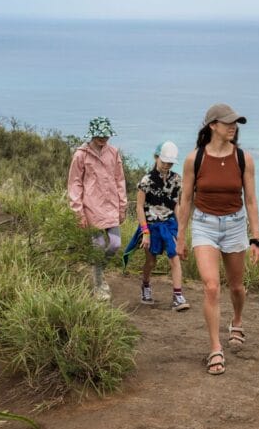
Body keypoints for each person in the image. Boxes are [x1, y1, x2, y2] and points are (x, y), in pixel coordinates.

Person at [177, 104, 259, 375]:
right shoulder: (195, 159)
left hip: (235, 225)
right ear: (212, 125)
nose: (233, 127)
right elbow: (186, 199)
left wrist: (256, 238)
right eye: (228, 122)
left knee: (237, 287)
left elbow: (250, 199)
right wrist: (180, 236)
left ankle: (236, 321)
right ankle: (215, 348)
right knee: (211, 286)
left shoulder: (243, 159)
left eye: (235, 123)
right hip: (204, 225)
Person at [122, 141, 190, 311]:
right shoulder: (146, 180)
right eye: (164, 161)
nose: (167, 165)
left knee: (174, 257)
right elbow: (139, 206)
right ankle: (145, 285)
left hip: (169, 223)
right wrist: (145, 231)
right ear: (156, 157)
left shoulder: (176, 180)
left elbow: (176, 204)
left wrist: (181, 228)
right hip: (151, 225)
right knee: (151, 261)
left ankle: (177, 295)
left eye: (170, 162)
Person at [67, 116, 128, 301]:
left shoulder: (114, 152)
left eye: (106, 134)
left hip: (111, 206)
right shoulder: (81, 155)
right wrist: (78, 212)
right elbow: (74, 184)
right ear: (93, 134)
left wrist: (122, 205)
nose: (104, 138)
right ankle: (99, 283)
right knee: (99, 246)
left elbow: (120, 179)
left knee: (115, 244)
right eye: (100, 134)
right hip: (90, 207)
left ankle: (98, 271)